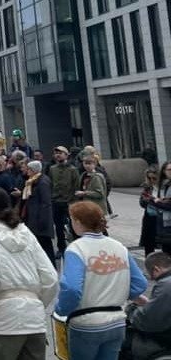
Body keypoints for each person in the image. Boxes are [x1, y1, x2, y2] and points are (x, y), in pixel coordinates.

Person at [0, 186, 59, 360]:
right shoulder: (24, 231)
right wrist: (37, 303)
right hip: (35, 320)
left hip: (4, 321)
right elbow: (51, 278)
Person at [56, 201, 148, 360]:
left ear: (77, 222)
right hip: (117, 320)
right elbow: (139, 283)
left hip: (86, 322)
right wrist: (119, 293)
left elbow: (71, 289)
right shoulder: (119, 247)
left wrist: (61, 309)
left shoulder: (76, 248)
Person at [126, 252, 171, 359]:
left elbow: (149, 321)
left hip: (165, 340)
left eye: (151, 275)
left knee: (125, 340)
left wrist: (132, 310)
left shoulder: (166, 284)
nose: (152, 278)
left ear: (156, 269)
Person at [21, 161, 55, 264]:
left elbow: (46, 203)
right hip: (34, 217)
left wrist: (43, 220)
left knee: (45, 244)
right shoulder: (32, 181)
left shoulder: (42, 182)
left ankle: (50, 264)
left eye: (29, 169)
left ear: (34, 170)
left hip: (40, 219)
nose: (27, 171)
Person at [49, 146, 80, 257]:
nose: (58, 155)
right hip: (56, 201)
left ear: (66, 155)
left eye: (60, 153)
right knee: (58, 226)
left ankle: (77, 246)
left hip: (69, 201)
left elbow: (76, 186)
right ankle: (61, 248)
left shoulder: (73, 170)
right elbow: (51, 184)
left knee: (74, 225)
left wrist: (73, 201)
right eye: (56, 153)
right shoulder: (52, 169)